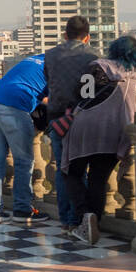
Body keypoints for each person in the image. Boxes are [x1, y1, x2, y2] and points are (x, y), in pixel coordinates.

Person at [62, 35, 136, 245]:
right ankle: (93, 222)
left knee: (72, 172)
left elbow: (81, 94)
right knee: (99, 178)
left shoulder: (97, 67)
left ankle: (85, 215)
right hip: (118, 132)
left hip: (85, 128)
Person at [43, 16, 98, 233]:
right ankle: (81, 217)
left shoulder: (51, 55)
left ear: (65, 35)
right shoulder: (93, 56)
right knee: (81, 169)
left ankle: (66, 218)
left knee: (62, 168)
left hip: (57, 119)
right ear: (87, 37)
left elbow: (50, 81)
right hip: (84, 117)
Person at [0, 53, 48, 224]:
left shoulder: (34, 59)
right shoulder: (57, 67)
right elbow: (55, 100)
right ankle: (22, 209)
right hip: (14, 108)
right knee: (23, 161)